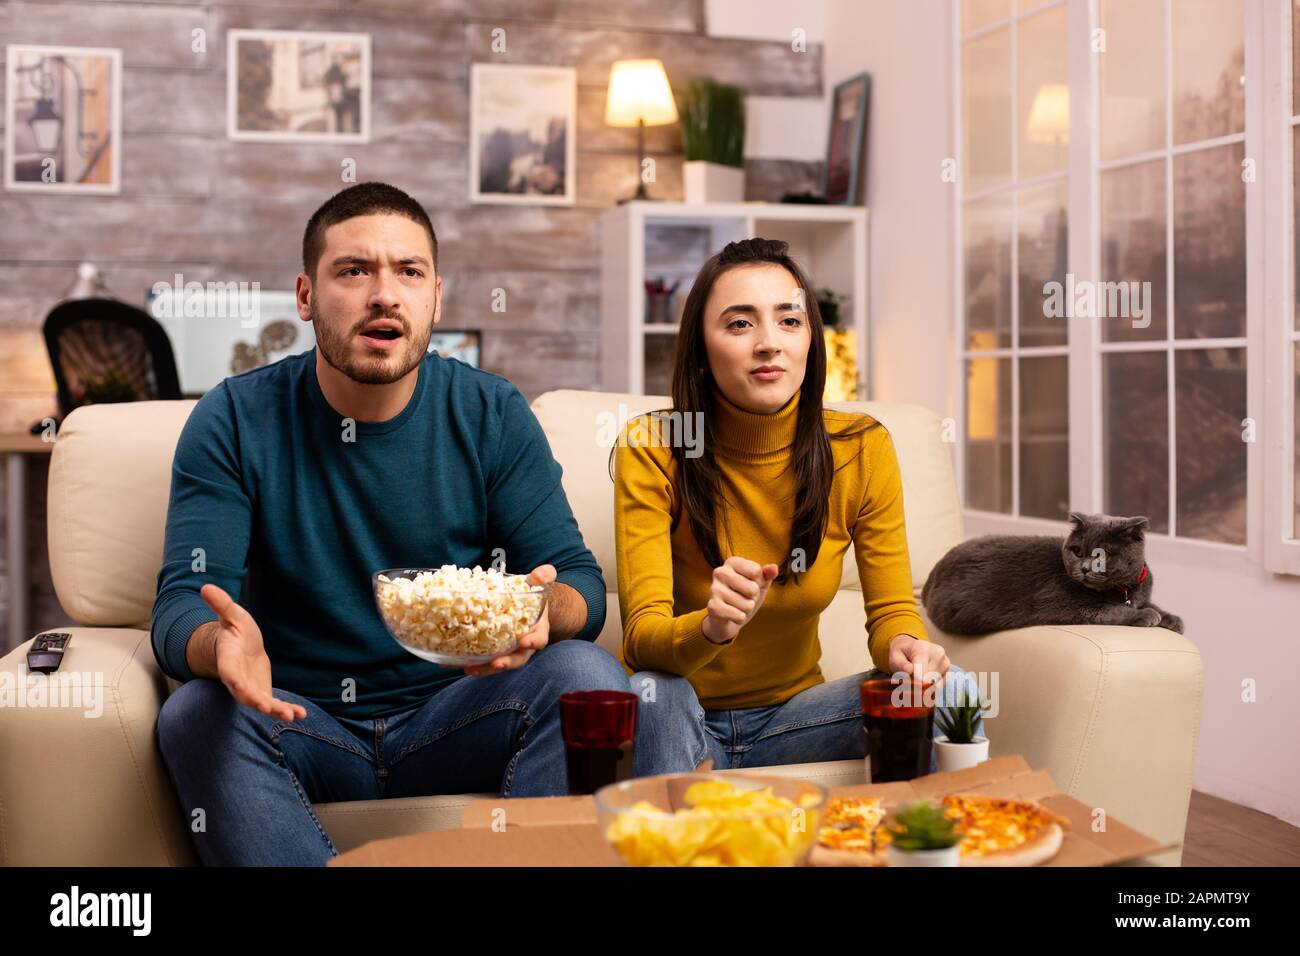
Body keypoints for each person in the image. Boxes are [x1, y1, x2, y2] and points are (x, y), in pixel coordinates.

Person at [152, 182, 628, 866]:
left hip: (460, 714)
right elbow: (178, 607)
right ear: (306, 296)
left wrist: (541, 612)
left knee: (587, 671)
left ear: (436, 295)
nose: (384, 294)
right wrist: (215, 645)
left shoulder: (490, 413)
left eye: (408, 272)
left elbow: (580, 582)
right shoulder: (234, 418)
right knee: (197, 713)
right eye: (354, 270)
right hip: (303, 721)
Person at [614, 237, 987, 775]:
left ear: (811, 337)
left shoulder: (861, 447)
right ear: (700, 346)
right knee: (653, 688)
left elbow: (890, 610)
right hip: (683, 716)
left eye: (789, 321)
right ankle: (678, 847)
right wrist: (713, 626)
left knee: (954, 689)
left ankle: (935, 847)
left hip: (796, 721)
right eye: (740, 324)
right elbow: (644, 639)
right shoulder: (654, 446)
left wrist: (909, 647)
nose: (769, 343)